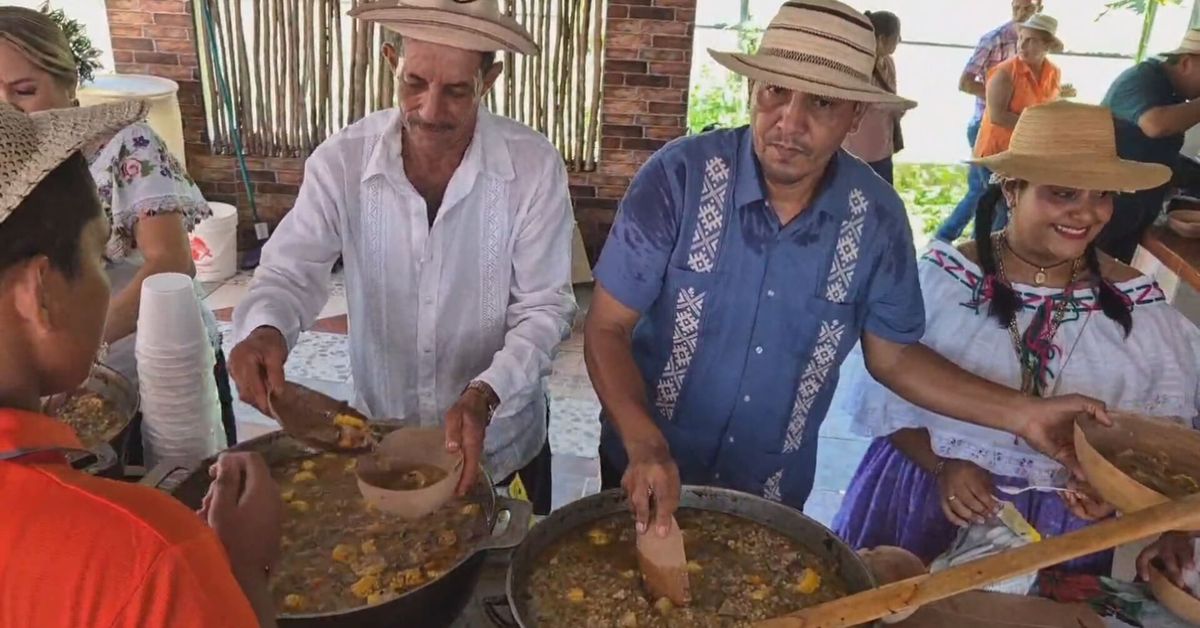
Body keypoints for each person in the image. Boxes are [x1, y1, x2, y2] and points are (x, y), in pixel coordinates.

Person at [584, 0, 1110, 539]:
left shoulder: (878, 219)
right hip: (643, 461)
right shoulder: (679, 178)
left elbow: (895, 357)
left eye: (822, 101)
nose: (790, 121)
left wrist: (1023, 415)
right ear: (752, 90)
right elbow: (607, 325)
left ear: (857, 114)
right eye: (774, 91)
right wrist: (644, 443)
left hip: (769, 486)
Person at [229, 0, 576, 515]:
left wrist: (486, 391)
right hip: (381, 441)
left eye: (456, 91)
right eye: (415, 82)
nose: (431, 111)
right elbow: (290, 270)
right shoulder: (342, 162)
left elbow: (545, 308)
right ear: (393, 59)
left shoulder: (532, 169)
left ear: (490, 78)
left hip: (501, 445)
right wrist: (264, 330)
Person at [831, 102, 1197, 575]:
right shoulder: (943, 282)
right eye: (1063, 193)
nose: (1085, 213)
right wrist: (943, 464)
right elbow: (886, 395)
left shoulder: (1139, 307)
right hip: (929, 497)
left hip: (1059, 531)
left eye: (1102, 194)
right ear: (1011, 188)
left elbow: (1156, 444)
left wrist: (1114, 491)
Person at [0, 100, 280, 627]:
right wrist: (243, 568)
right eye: (97, 255)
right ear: (41, 294)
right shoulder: (149, 556)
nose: (107, 281)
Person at [0, 7, 237, 454]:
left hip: (156, 352)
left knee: (191, 475)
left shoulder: (126, 146)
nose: (8, 107)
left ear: (69, 86)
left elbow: (170, 261)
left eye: (25, 90)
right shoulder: (7, 169)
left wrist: (88, 348)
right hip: (60, 368)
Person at [935, 0, 1041, 242]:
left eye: (1028, 8)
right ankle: (945, 241)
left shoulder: (1038, 48)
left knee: (991, 195)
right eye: (1018, 7)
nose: (1021, 13)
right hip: (986, 127)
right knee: (991, 194)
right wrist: (1001, 97)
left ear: (1039, 8)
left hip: (1014, 132)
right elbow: (965, 82)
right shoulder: (994, 39)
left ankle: (974, 249)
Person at [1096, 29, 1200, 263]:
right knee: (1083, 277)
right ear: (1186, 62)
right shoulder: (1142, 78)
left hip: (1135, 206)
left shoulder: (1172, 92)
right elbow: (1155, 125)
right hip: (1106, 204)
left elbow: (1159, 153)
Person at [971, 13, 1066, 235]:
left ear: (1047, 44)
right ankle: (983, 258)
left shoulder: (1053, 72)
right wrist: (1037, 127)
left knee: (1010, 210)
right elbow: (997, 116)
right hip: (996, 154)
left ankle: (992, 258)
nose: (1023, 44)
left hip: (1024, 155)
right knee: (1000, 208)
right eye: (1021, 37)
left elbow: (1049, 105)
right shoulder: (1005, 72)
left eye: (1032, 40)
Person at [843, 10, 906, 184]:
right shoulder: (856, 65)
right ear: (881, 39)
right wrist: (891, 105)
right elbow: (855, 100)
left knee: (882, 203)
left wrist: (898, 108)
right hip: (857, 150)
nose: (899, 40)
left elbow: (889, 95)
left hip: (882, 149)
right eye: (896, 36)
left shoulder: (888, 63)